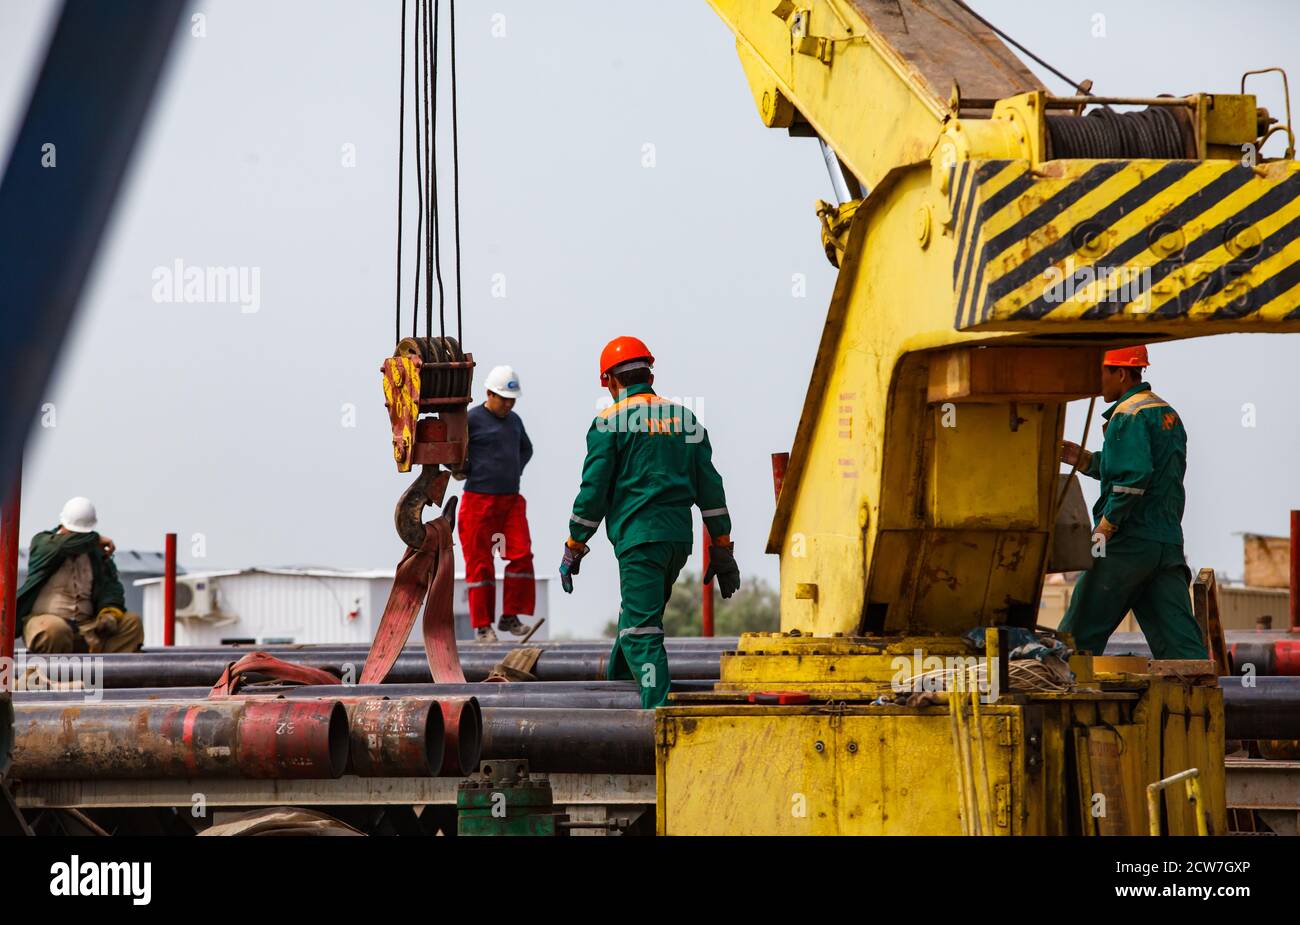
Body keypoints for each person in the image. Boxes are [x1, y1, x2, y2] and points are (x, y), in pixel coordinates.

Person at [559, 336, 740, 708]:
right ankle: (615, 710)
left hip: (640, 542)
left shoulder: (608, 423)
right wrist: (722, 547)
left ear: (609, 380)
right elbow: (711, 489)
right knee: (635, 620)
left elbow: (593, 492)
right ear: (650, 375)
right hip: (677, 543)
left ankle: (661, 717)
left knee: (641, 634)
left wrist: (575, 543)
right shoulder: (685, 419)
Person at [1059, 345, 1206, 660]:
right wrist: (1085, 460)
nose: (1096, 383)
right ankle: (1200, 688)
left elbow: (1132, 479)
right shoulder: (1166, 413)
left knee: (1076, 636)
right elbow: (1146, 470)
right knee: (1182, 649)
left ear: (1121, 373)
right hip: (1165, 544)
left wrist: (1105, 527)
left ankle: (1060, 683)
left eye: (1101, 373)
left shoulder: (1128, 414)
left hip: (1127, 543)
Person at [454, 365, 536, 641]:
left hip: (510, 503)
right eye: (504, 399)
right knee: (481, 564)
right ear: (489, 393)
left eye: (512, 400)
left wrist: (512, 471)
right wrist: (466, 469)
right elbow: (454, 453)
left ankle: (510, 616)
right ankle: (483, 626)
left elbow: (526, 449)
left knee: (521, 556)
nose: (509, 405)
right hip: (478, 503)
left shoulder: (514, 421)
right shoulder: (471, 420)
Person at [16, 496, 144, 654]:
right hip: (44, 623)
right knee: (55, 630)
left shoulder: (96, 553)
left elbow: (110, 588)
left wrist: (110, 613)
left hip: (86, 628)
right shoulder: (44, 543)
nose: (78, 536)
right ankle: (55, 669)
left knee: (132, 623)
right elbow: (65, 544)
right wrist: (95, 538)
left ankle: (107, 668)